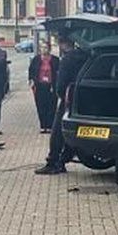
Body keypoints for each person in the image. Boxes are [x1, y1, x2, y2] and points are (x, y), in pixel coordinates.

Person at [35, 33, 88, 175]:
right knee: (73, 129)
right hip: (84, 98)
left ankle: (53, 162)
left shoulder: (67, 59)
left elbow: (61, 84)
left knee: (58, 130)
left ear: (64, 44)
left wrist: (60, 94)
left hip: (68, 98)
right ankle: (64, 158)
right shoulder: (86, 56)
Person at [28, 43, 59, 133]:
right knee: (41, 105)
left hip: (51, 85)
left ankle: (49, 125)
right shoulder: (36, 59)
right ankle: (43, 125)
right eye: (42, 47)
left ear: (49, 49)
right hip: (40, 85)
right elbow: (31, 71)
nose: (43, 49)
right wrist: (31, 80)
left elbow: (58, 72)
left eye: (45, 47)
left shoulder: (55, 60)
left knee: (51, 105)